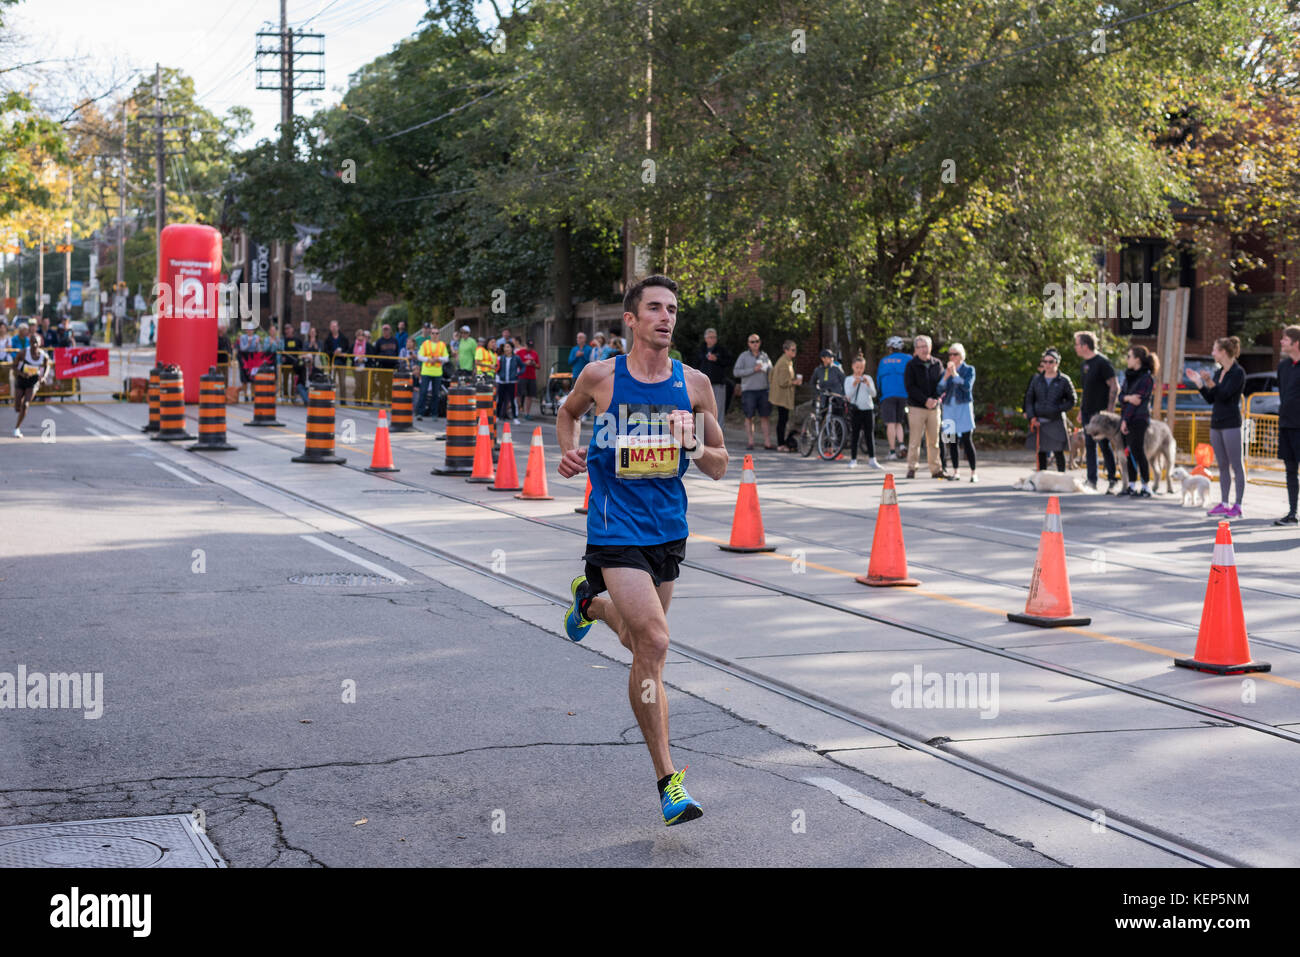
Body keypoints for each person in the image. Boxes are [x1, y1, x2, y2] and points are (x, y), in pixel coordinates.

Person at [556, 274, 727, 827]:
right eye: (654, 308)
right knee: (654, 639)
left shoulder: (695, 384)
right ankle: (668, 781)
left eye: (672, 309)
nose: (666, 317)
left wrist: (694, 442)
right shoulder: (601, 376)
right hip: (614, 528)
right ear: (630, 319)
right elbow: (567, 412)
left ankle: (591, 604)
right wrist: (569, 452)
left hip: (667, 532)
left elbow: (721, 465)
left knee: (636, 641)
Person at [1187, 336, 1246, 518]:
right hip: (1217, 422)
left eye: (1214, 350)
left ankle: (1238, 505)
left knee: (1236, 464)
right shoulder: (1219, 371)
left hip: (1231, 423)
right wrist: (1200, 383)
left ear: (1223, 352)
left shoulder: (1237, 372)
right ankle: (1224, 502)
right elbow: (1212, 398)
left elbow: (1226, 395)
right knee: (1222, 465)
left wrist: (1210, 383)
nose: (1212, 353)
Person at [1074, 331, 1121, 493]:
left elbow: (1115, 386)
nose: (1075, 347)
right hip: (1087, 412)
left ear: (1085, 346)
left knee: (1104, 445)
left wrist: (1108, 412)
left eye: (1077, 344)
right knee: (1089, 444)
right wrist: (1081, 410)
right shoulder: (1084, 365)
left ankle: (1112, 480)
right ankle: (1091, 480)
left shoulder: (1102, 363)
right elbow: (1086, 390)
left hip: (1100, 413)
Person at [1025, 347, 1077, 473]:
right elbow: (1029, 399)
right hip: (1039, 421)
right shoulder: (1036, 380)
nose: (1047, 364)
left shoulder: (1064, 380)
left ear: (1057, 363)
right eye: (1045, 361)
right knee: (1041, 452)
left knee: (1058, 452)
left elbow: (1072, 400)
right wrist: (1032, 417)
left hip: (1056, 421)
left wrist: (1058, 409)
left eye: (1051, 362)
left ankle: (1061, 478)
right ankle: (1042, 479)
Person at [1116, 344, 1157, 497]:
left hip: (1138, 419)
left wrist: (1126, 419)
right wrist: (1127, 398)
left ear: (1137, 359)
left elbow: (1137, 401)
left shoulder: (1146, 378)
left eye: (1129, 357)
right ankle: (1132, 484)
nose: (1127, 360)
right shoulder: (1128, 376)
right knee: (1128, 451)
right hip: (1126, 418)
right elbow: (1122, 397)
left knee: (1138, 451)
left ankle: (1146, 485)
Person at [903, 335, 944, 479]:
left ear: (930, 347)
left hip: (934, 408)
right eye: (920, 347)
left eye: (925, 346)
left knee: (934, 441)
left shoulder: (937, 364)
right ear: (915, 349)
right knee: (915, 440)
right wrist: (925, 400)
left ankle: (936, 469)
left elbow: (941, 384)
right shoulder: (911, 365)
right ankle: (912, 467)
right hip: (917, 408)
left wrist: (935, 399)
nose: (923, 349)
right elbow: (910, 387)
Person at [1272, 325, 1300, 525]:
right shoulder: (1282, 367)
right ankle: (1292, 513)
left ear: (1296, 342)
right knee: (1290, 471)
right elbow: (1284, 394)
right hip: (1286, 426)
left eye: (1284, 339)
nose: (1281, 342)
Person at [938, 343, 978, 481]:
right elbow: (939, 390)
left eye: (955, 354)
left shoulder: (969, 369)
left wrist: (955, 374)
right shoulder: (946, 371)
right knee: (952, 440)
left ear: (961, 356)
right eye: (950, 354)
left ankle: (973, 472)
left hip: (964, 408)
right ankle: (956, 471)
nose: (952, 357)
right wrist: (945, 377)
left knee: (967, 440)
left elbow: (967, 387)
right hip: (949, 408)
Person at [732, 333, 774, 450]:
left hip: (764, 390)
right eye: (752, 342)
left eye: (757, 341)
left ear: (760, 342)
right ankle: (751, 441)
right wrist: (753, 370)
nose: (755, 344)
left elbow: (772, 371)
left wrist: (767, 370)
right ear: (748, 344)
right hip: (749, 391)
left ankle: (767, 442)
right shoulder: (743, 356)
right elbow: (736, 372)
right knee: (749, 417)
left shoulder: (764, 356)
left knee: (765, 417)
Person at [844, 355, 881, 469]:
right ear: (852, 367)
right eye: (857, 367)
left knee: (869, 435)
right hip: (856, 410)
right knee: (855, 435)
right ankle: (853, 459)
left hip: (868, 409)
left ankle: (872, 459)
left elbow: (874, 394)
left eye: (861, 367)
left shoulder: (868, 378)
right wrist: (855, 384)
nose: (859, 370)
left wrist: (868, 384)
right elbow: (848, 395)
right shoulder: (848, 379)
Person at [876, 336, 910, 459]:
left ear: (890, 348)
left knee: (891, 423)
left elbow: (878, 379)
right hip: (904, 394)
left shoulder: (884, 361)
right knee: (899, 422)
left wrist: (879, 394)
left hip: (888, 395)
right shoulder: (908, 359)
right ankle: (901, 445)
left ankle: (892, 452)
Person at [12, 331, 51, 438]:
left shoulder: (43, 355)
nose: (34, 345)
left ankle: (17, 428)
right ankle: (18, 407)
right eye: (32, 342)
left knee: (26, 405)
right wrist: (21, 373)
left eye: (36, 343)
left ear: (40, 343)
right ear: (29, 342)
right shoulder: (23, 353)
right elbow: (14, 366)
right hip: (21, 379)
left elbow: (47, 366)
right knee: (17, 407)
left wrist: (43, 377)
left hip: (33, 381)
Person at [769, 340, 802, 451]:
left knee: (783, 419)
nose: (794, 351)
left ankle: (782, 443)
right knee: (782, 420)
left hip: (783, 396)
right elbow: (783, 381)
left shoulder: (787, 361)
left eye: (795, 349)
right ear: (786, 350)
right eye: (792, 350)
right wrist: (794, 382)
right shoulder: (783, 362)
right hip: (782, 397)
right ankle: (781, 444)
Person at [697, 328, 731, 421]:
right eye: (710, 337)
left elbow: (728, 362)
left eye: (714, 337)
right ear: (705, 338)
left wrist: (717, 359)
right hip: (703, 384)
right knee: (701, 408)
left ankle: (718, 432)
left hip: (718, 383)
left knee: (718, 408)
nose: (712, 339)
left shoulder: (722, 349)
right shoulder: (701, 349)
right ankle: (700, 433)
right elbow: (695, 365)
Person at [416, 326, 449, 419]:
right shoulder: (425, 344)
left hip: (437, 372)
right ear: (430, 334)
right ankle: (420, 413)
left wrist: (438, 359)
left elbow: (446, 358)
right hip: (426, 371)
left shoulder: (442, 345)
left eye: (436, 333)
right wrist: (428, 359)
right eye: (433, 333)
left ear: (439, 335)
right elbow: (419, 356)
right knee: (423, 392)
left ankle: (434, 414)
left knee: (435, 394)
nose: (435, 335)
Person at [323, 320, 350, 401]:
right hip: (332, 362)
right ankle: (331, 398)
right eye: (332, 326)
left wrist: (344, 354)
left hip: (341, 362)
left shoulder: (344, 338)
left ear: (338, 327)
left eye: (335, 326)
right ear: (330, 328)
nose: (334, 328)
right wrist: (333, 353)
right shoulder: (328, 339)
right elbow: (326, 351)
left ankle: (343, 400)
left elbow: (348, 349)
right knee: (331, 382)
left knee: (342, 383)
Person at [495, 339, 521, 423]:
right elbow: (497, 368)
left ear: (512, 348)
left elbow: (523, 366)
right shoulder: (501, 358)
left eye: (508, 347)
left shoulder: (516, 358)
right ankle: (497, 416)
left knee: (513, 400)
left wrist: (518, 374)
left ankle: (515, 417)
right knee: (500, 400)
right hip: (502, 382)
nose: (506, 349)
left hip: (512, 382)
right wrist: (499, 374)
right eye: (505, 347)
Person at [516, 337, 540, 419]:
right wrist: (524, 363)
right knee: (519, 394)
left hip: (531, 377)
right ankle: (518, 410)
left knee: (529, 395)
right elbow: (515, 363)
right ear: (525, 345)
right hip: (522, 376)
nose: (530, 348)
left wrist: (533, 364)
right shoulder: (519, 352)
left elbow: (538, 366)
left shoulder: (535, 353)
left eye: (531, 346)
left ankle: (527, 413)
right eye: (528, 346)